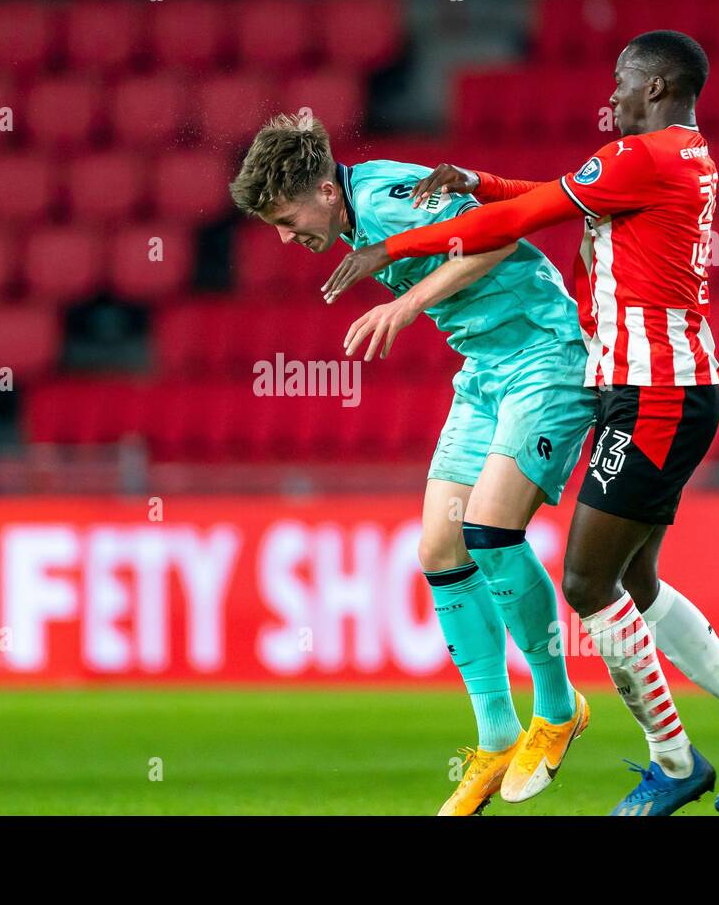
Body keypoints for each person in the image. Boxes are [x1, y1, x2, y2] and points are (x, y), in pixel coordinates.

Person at [322, 31, 719, 815]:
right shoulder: (675, 156)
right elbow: (543, 194)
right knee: (636, 581)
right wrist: (475, 180)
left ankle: (674, 760)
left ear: (657, 88)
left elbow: (517, 221)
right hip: (662, 389)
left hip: (653, 396)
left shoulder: (640, 158)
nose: (609, 94)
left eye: (622, 81)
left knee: (589, 582)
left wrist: (393, 253)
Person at [229, 112, 597, 814]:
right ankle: (495, 736)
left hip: (545, 356)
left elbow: (507, 226)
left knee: (489, 530)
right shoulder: (355, 216)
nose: (284, 237)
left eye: (286, 216)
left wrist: (410, 304)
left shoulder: (387, 199)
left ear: (326, 192)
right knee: (438, 548)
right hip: (487, 369)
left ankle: (557, 706)